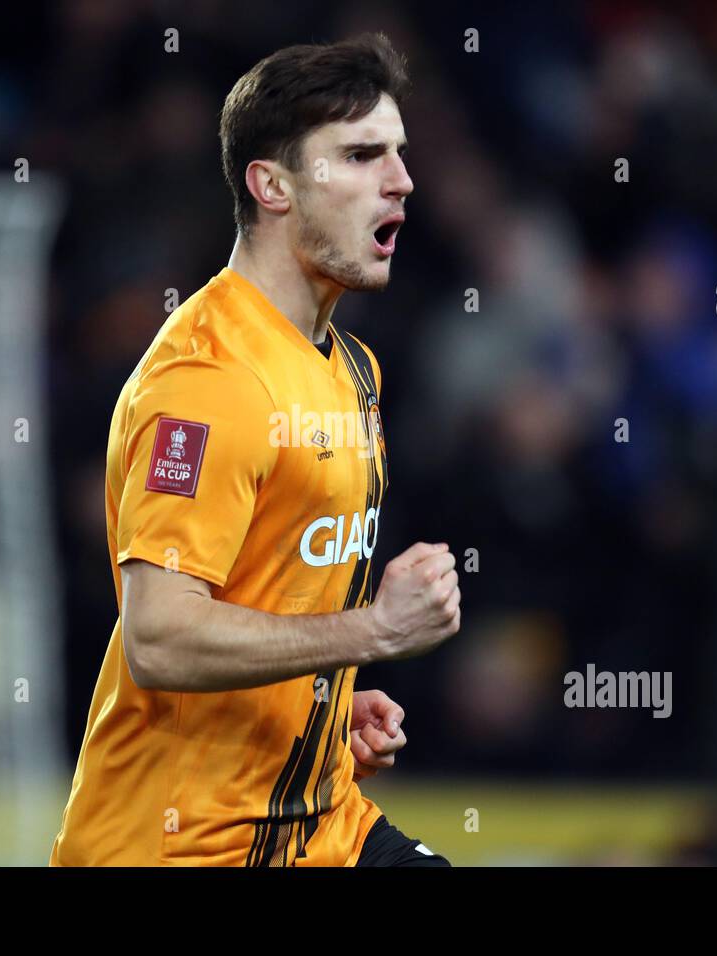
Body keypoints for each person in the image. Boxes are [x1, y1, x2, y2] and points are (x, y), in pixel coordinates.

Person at [50, 32, 459, 867]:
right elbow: (160, 638)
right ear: (270, 185)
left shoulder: (353, 368)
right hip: (180, 849)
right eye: (360, 155)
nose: (401, 181)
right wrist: (373, 632)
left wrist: (321, 707)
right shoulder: (205, 379)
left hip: (318, 824)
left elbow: (271, 597)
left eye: (399, 154)